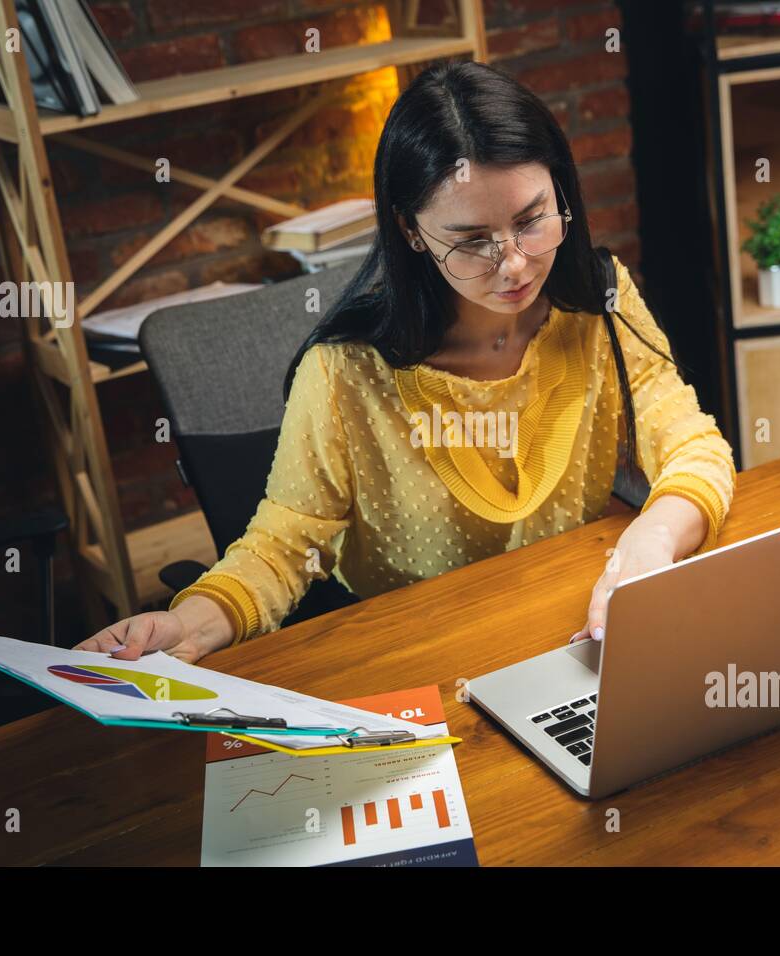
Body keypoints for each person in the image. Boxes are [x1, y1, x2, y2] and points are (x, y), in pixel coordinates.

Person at [75, 61, 736, 664]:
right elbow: (281, 547)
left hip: (573, 634)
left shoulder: (601, 301)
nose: (514, 264)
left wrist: (652, 536)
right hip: (417, 667)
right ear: (412, 231)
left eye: (533, 220)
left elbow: (691, 442)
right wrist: (188, 624)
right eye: (472, 241)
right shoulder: (344, 375)